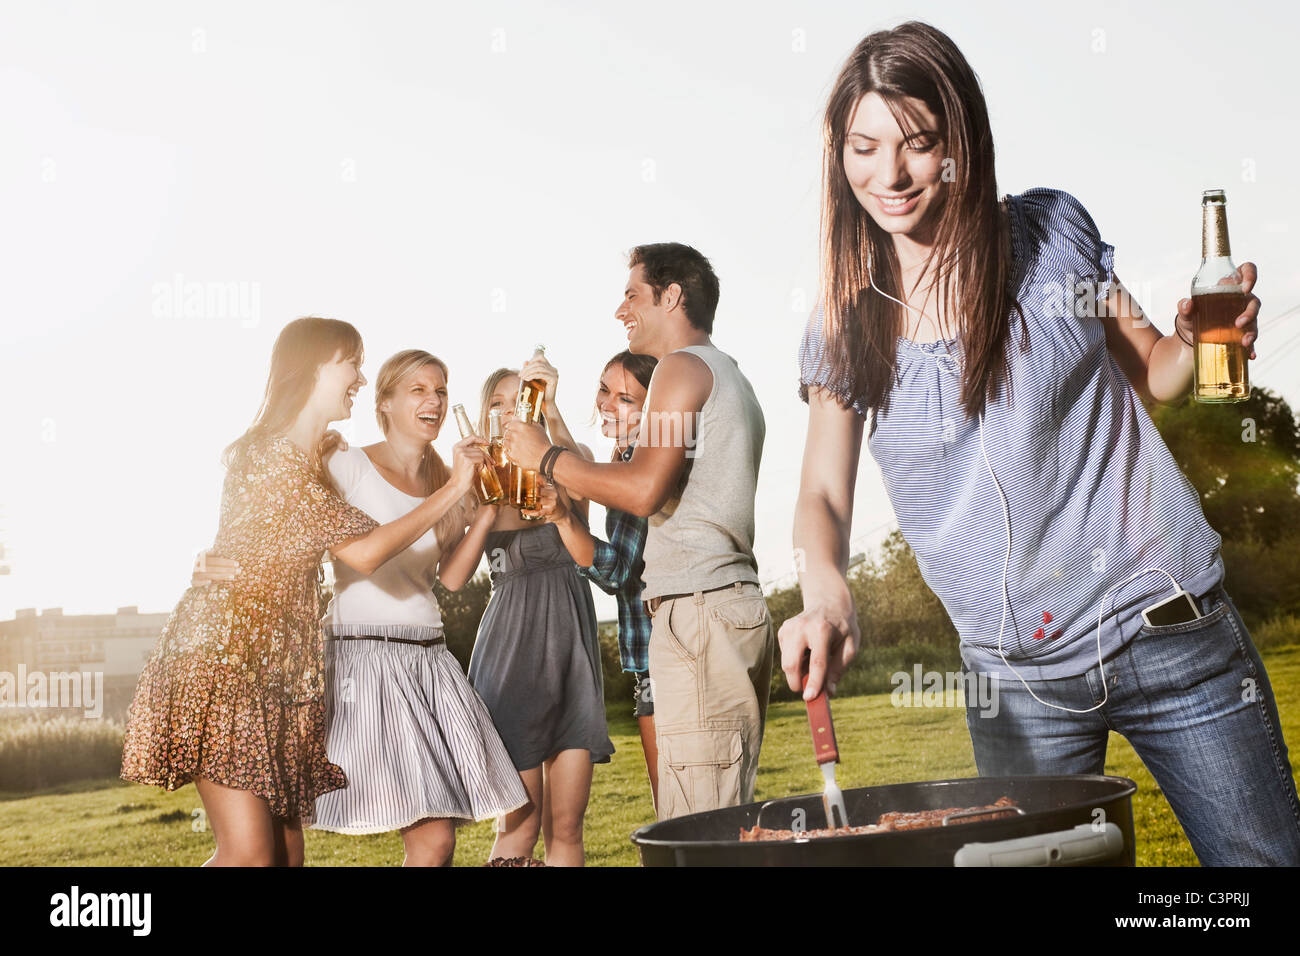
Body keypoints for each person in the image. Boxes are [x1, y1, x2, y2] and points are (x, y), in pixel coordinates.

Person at [779, 21, 1298, 866]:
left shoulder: (1052, 235)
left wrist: (1209, 349)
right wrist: (827, 591)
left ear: (961, 143)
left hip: (1168, 628)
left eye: (917, 144)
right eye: (864, 148)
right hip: (1015, 683)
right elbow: (823, 496)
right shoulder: (845, 323)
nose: (891, 175)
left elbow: (1154, 370)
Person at [121, 317, 496, 866]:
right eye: (353, 363)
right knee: (250, 856)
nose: (360, 379)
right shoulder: (276, 459)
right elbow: (366, 551)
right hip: (227, 663)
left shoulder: (304, 459)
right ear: (316, 367)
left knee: (284, 856)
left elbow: (252, 539)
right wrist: (458, 489)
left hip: (275, 669)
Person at [504, 243, 774, 821]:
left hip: (699, 615)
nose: (620, 310)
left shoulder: (680, 367)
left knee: (698, 832)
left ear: (672, 296)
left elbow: (642, 487)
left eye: (632, 295)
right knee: (712, 820)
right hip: (727, 612)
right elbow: (639, 475)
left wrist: (545, 457)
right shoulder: (730, 375)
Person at [466, 363, 615, 866]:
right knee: (520, 828)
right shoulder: (480, 483)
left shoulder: (566, 467)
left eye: (520, 401)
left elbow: (587, 486)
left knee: (567, 828)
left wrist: (551, 409)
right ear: (487, 414)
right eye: (499, 403)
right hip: (512, 659)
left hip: (571, 656)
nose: (510, 411)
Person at [530, 349, 661, 809]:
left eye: (626, 398)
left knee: (681, 815)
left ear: (655, 408)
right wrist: (549, 409)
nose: (607, 404)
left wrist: (563, 520)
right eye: (605, 390)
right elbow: (582, 478)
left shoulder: (645, 460)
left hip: (668, 663)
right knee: (677, 813)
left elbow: (618, 569)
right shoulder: (628, 451)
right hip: (656, 662)